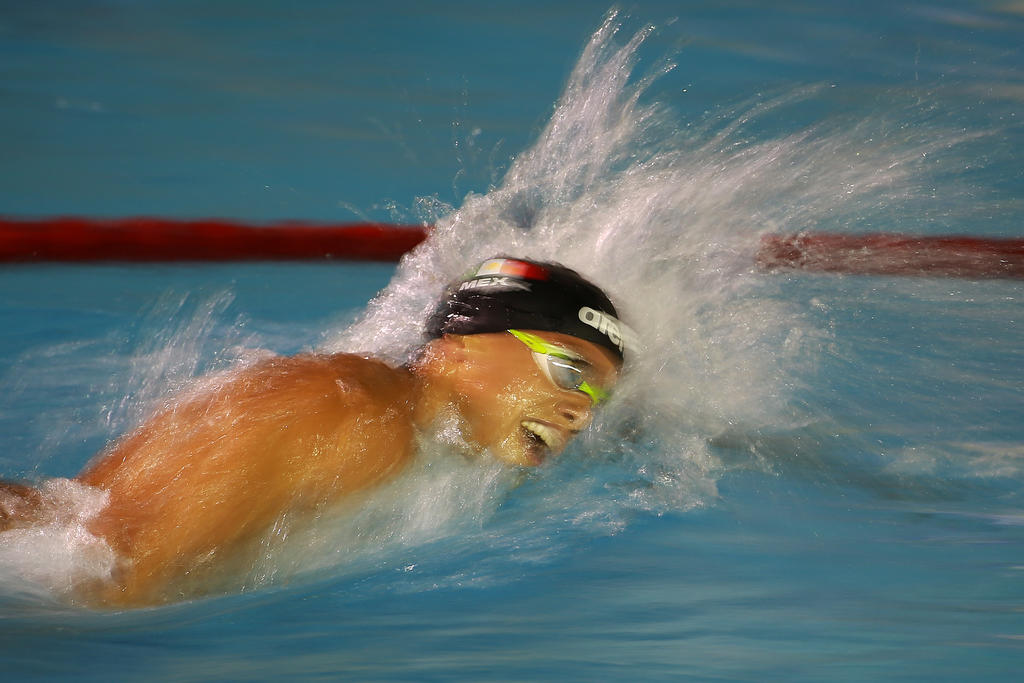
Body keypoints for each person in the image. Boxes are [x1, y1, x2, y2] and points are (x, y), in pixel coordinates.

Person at [1, 256, 636, 607]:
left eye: (598, 397)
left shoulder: (423, 442)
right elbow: (106, 575)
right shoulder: (349, 413)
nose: (581, 411)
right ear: (457, 349)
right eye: (569, 370)